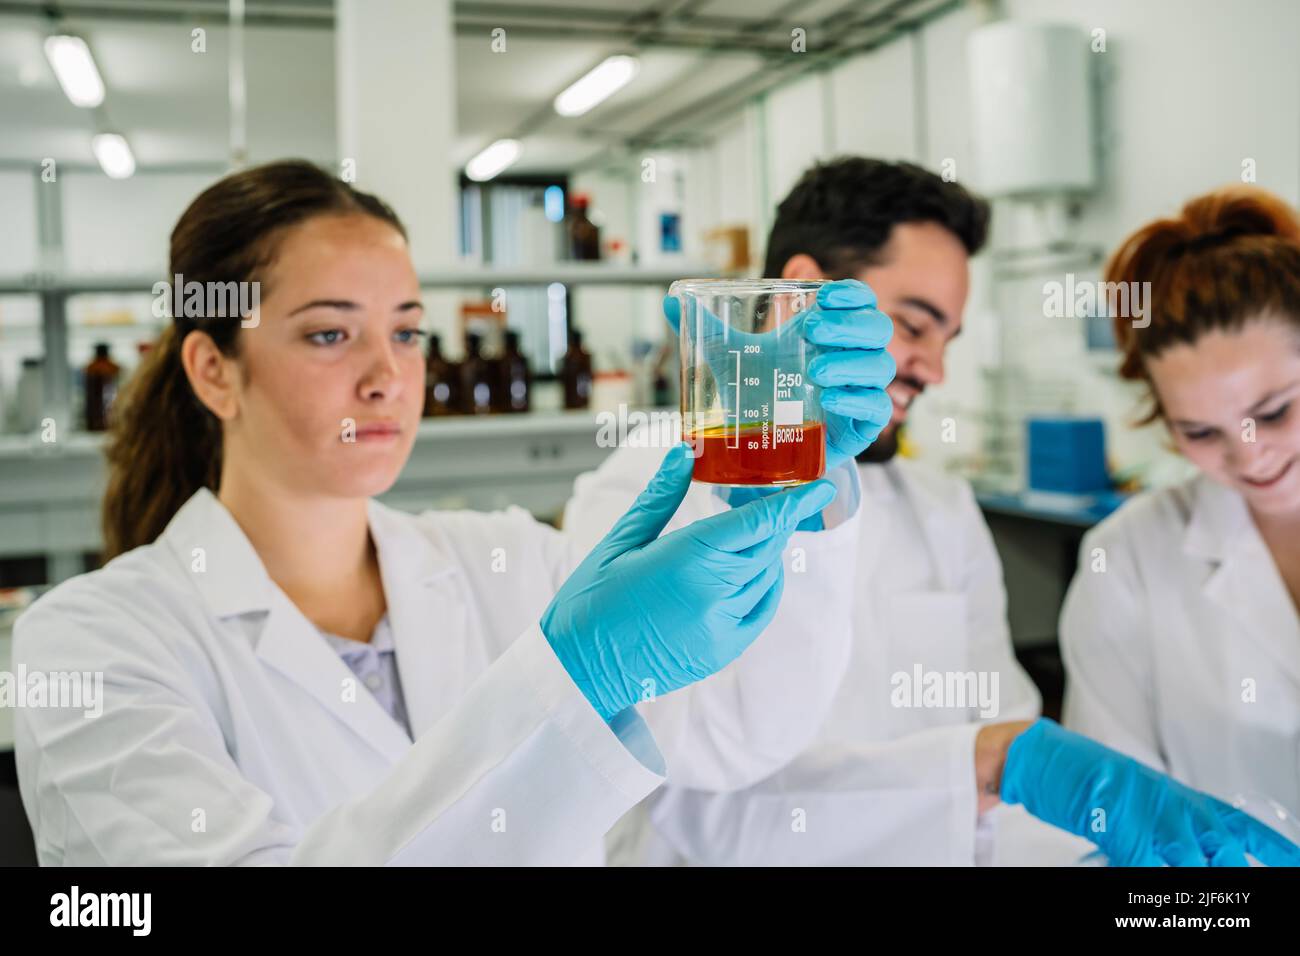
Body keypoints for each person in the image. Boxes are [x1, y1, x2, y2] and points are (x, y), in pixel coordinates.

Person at [11, 160, 896, 866]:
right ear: (213, 370)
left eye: (405, 331)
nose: (385, 374)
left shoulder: (504, 559)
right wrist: (570, 684)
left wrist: (806, 491)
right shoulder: (92, 645)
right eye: (330, 333)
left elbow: (737, 742)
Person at [565, 158, 1300, 867]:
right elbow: (694, 799)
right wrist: (990, 765)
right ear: (804, 292)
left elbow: (1009, 776)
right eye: (915, 326)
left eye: (946, 339)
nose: (936, 370)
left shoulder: (941, 511)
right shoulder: (653, 491)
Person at [1061, 185, 1300, 835]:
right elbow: (1115, 815)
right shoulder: (1130, 558)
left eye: (1274, 411)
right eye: (1200, 432)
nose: (1250, 459)